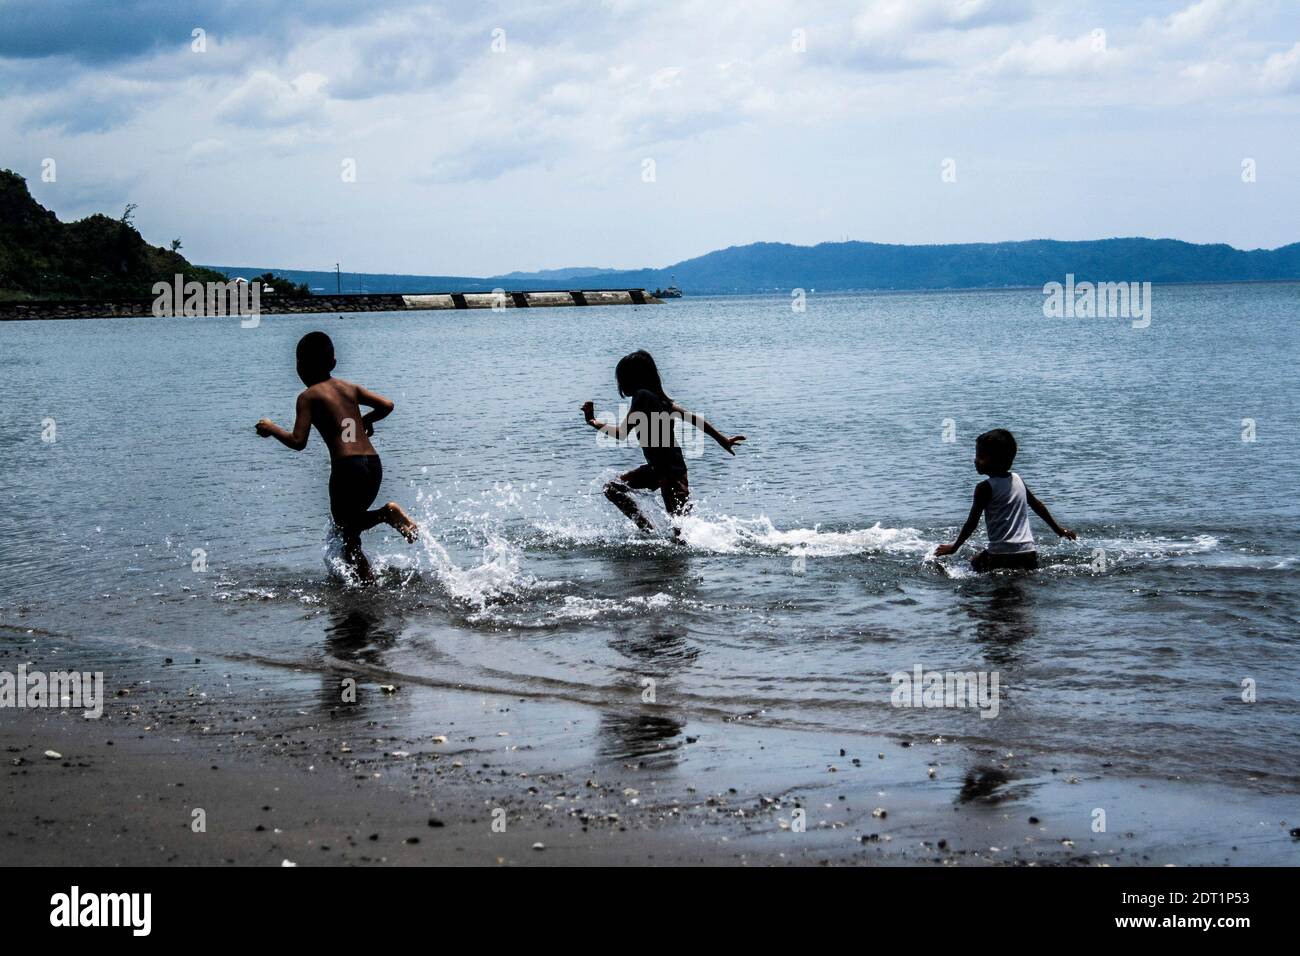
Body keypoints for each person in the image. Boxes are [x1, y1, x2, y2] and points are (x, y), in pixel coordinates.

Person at [255, 331, 418, 582]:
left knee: (345, 528)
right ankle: (366, 581)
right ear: (333, 362)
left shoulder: (308, 396)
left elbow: (298, 442)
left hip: (347, 469)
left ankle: (386, 515)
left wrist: (270, 428)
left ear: (299, 366)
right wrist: (364, 421)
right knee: (350, 530)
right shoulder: (348, 387)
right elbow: (387, 405)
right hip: (373, 464)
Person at [580, 349, 744, 534]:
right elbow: (695, 420)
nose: (619, 383)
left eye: (621, 378)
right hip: (660, 468)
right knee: (614, 489)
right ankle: (651, 533)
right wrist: (722, 439)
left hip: (669, 472)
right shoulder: (660, 399)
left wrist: (593, 422)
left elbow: (622, 433)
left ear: (632, 378)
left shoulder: (641, 397)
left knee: (681, 530)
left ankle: (652, 533)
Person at [934, 428, 1075, 571]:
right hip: (1028, 553)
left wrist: (954, 547)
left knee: (973, 568)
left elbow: (972, 522)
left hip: (1000, 555)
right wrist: (1059, 530)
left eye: (980, 456)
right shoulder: (1017, 479)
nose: (975, 460)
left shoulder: (984, 488)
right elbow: (1037, 505)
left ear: (996, 459)